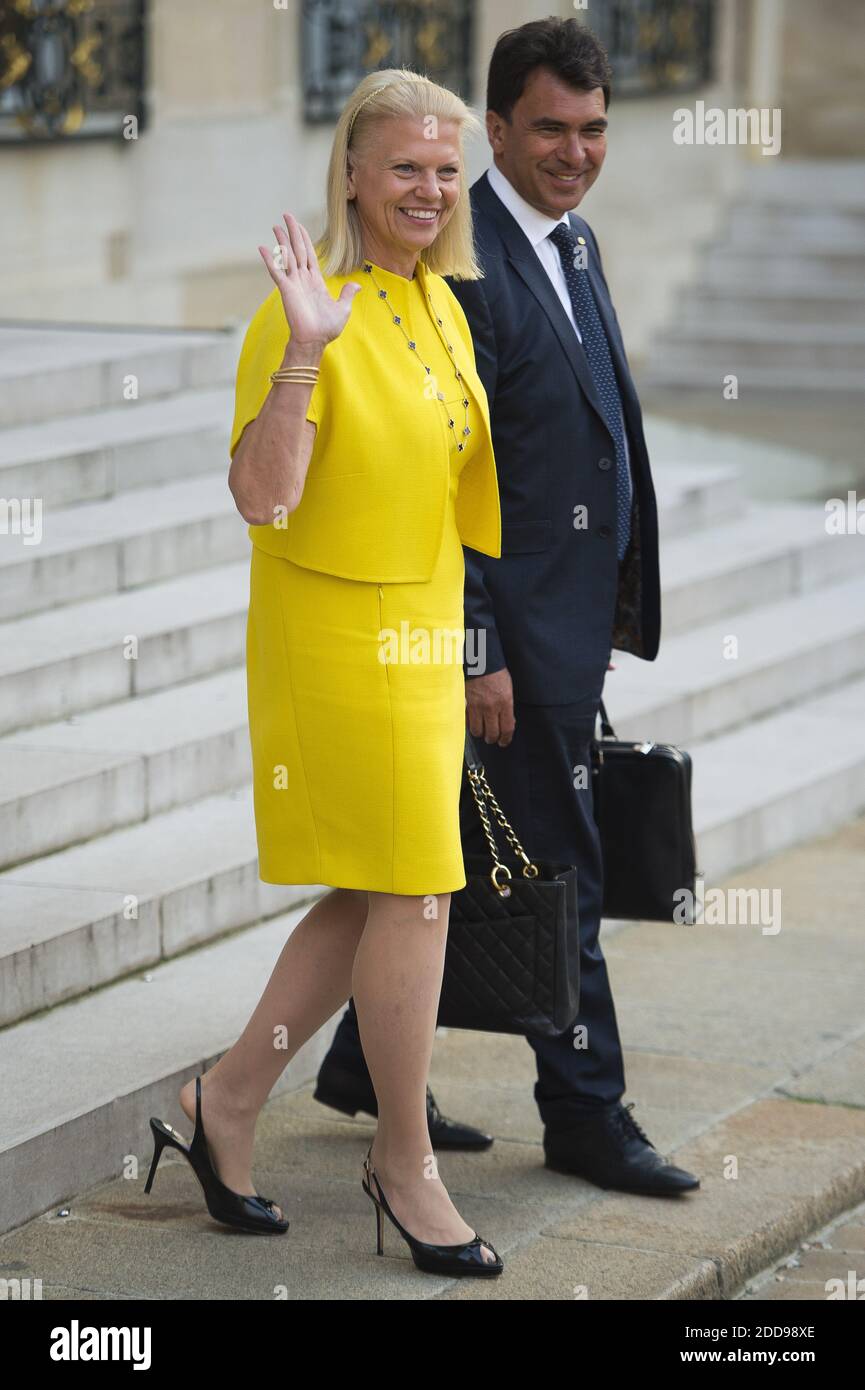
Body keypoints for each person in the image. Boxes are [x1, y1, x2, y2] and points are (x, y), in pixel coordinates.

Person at [316, 19, 700, 1198]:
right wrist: (479, 649)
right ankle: (586, 1113)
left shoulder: (570, 242)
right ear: (494, 128)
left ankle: (362, 1068)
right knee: (558, 874)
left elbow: (590, 437)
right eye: (549, 128)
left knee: (453, 863)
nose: (574, 151)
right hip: (503, 640)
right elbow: (447, 478)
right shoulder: (465, 261)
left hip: (565, 619)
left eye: (592, 131)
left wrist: (610, 604)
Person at [144, 68, 505, 1277]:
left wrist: (468, 652)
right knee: (414, 893)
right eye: (405, 164)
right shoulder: (300, 312)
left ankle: (226, 1099)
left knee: (371, 894)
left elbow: (450, 504)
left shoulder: (446, 304)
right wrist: (304, 349)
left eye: (446, 167)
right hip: (332, 642)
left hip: (419, 633)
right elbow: (263, 494)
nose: (429, 186)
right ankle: (402, 1161)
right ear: (351, 172)